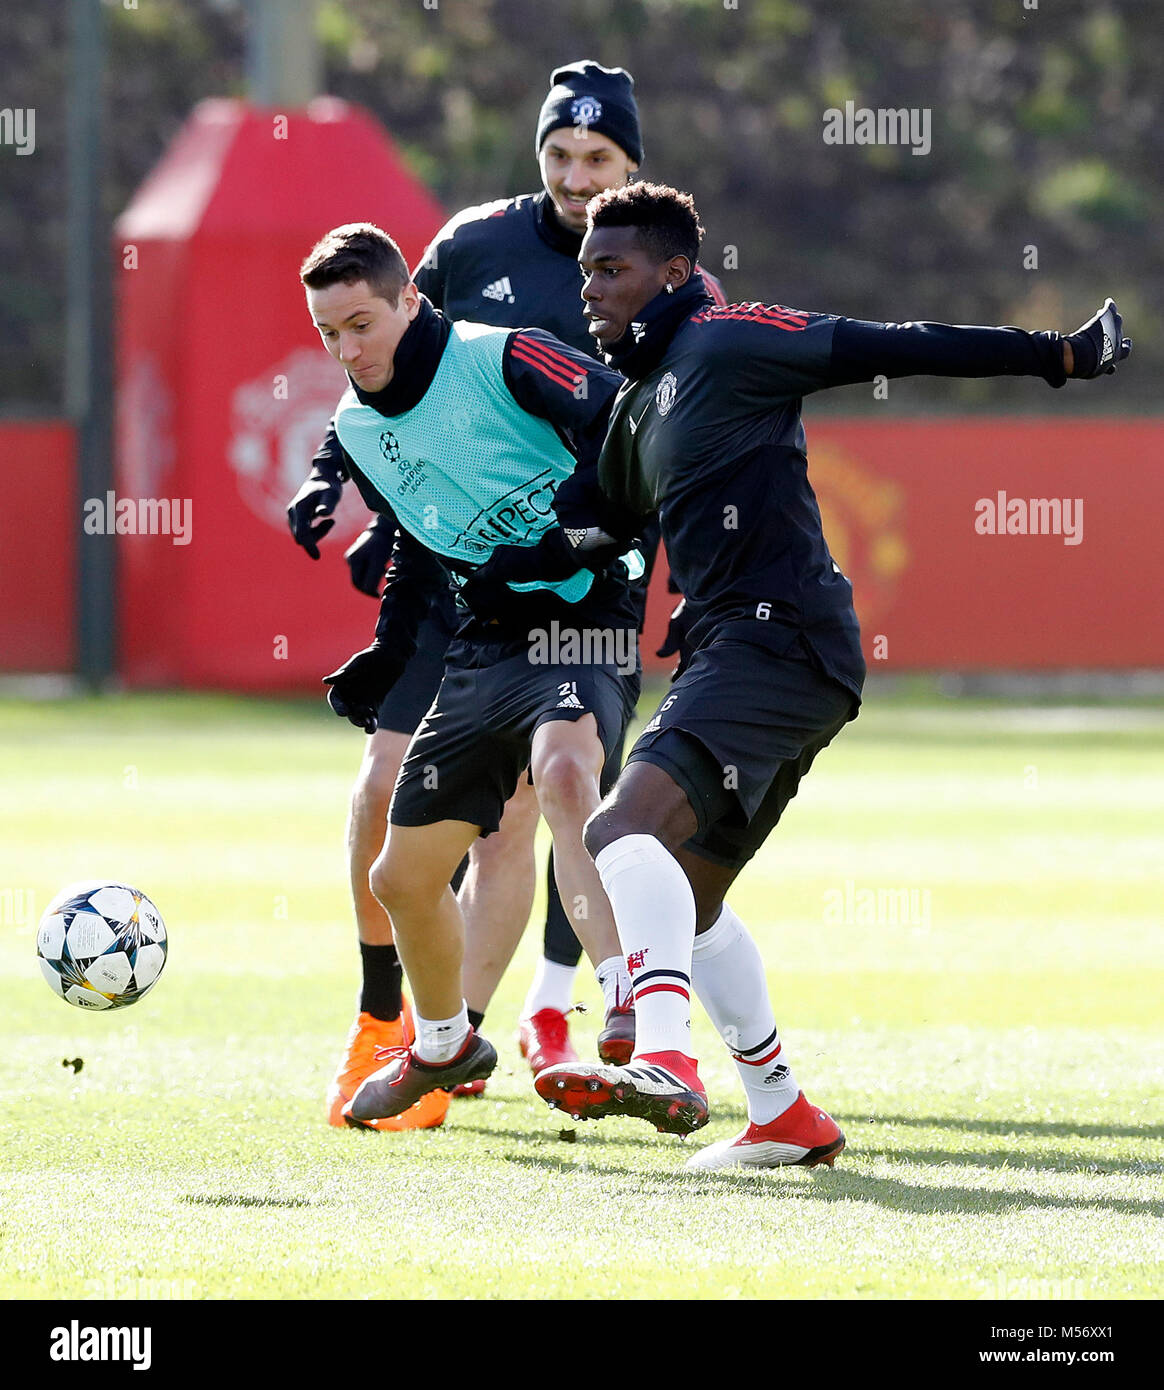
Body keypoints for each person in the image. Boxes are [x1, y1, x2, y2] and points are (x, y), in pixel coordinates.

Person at [465, 181, 1132, 1169]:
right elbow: (586, 524)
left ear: (674, 275)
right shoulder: (637, 409)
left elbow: (884, 342)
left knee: (614, 831)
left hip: (776, 641)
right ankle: (781, 1112)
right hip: (766, 656)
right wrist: (462, 567)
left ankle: (661, 1057)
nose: (592, 290)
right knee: (686, 904)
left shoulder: (729, 343)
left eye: (613, 270)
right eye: (584, 274)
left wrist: (1056, 355)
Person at [288, 61, 725, 1118]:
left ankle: (611, 1018)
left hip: (582, 580)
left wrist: (615, 542)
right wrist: (361, 502)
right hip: (463, 580)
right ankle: (399, 1022)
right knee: (392, 803)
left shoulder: (663, 276)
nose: (577, 179)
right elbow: (392, 377)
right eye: (560, 156)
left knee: (557, 789)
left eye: (599, 161)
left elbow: (668, 430)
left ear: (631, 167)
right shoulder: (470, 246)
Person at [298, 221, 650, 1124]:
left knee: (567, 777)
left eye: (362, 324)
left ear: (411, 299)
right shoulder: (354, 425)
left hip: (588, 608)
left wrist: (566, 544)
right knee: (399, 877)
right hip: (489, 633)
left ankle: (629, 1005)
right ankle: (445, 1043)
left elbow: (640, 437)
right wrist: (388, 645)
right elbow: (427, 543)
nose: (348, 350)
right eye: (329, 333)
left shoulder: (507, 358)